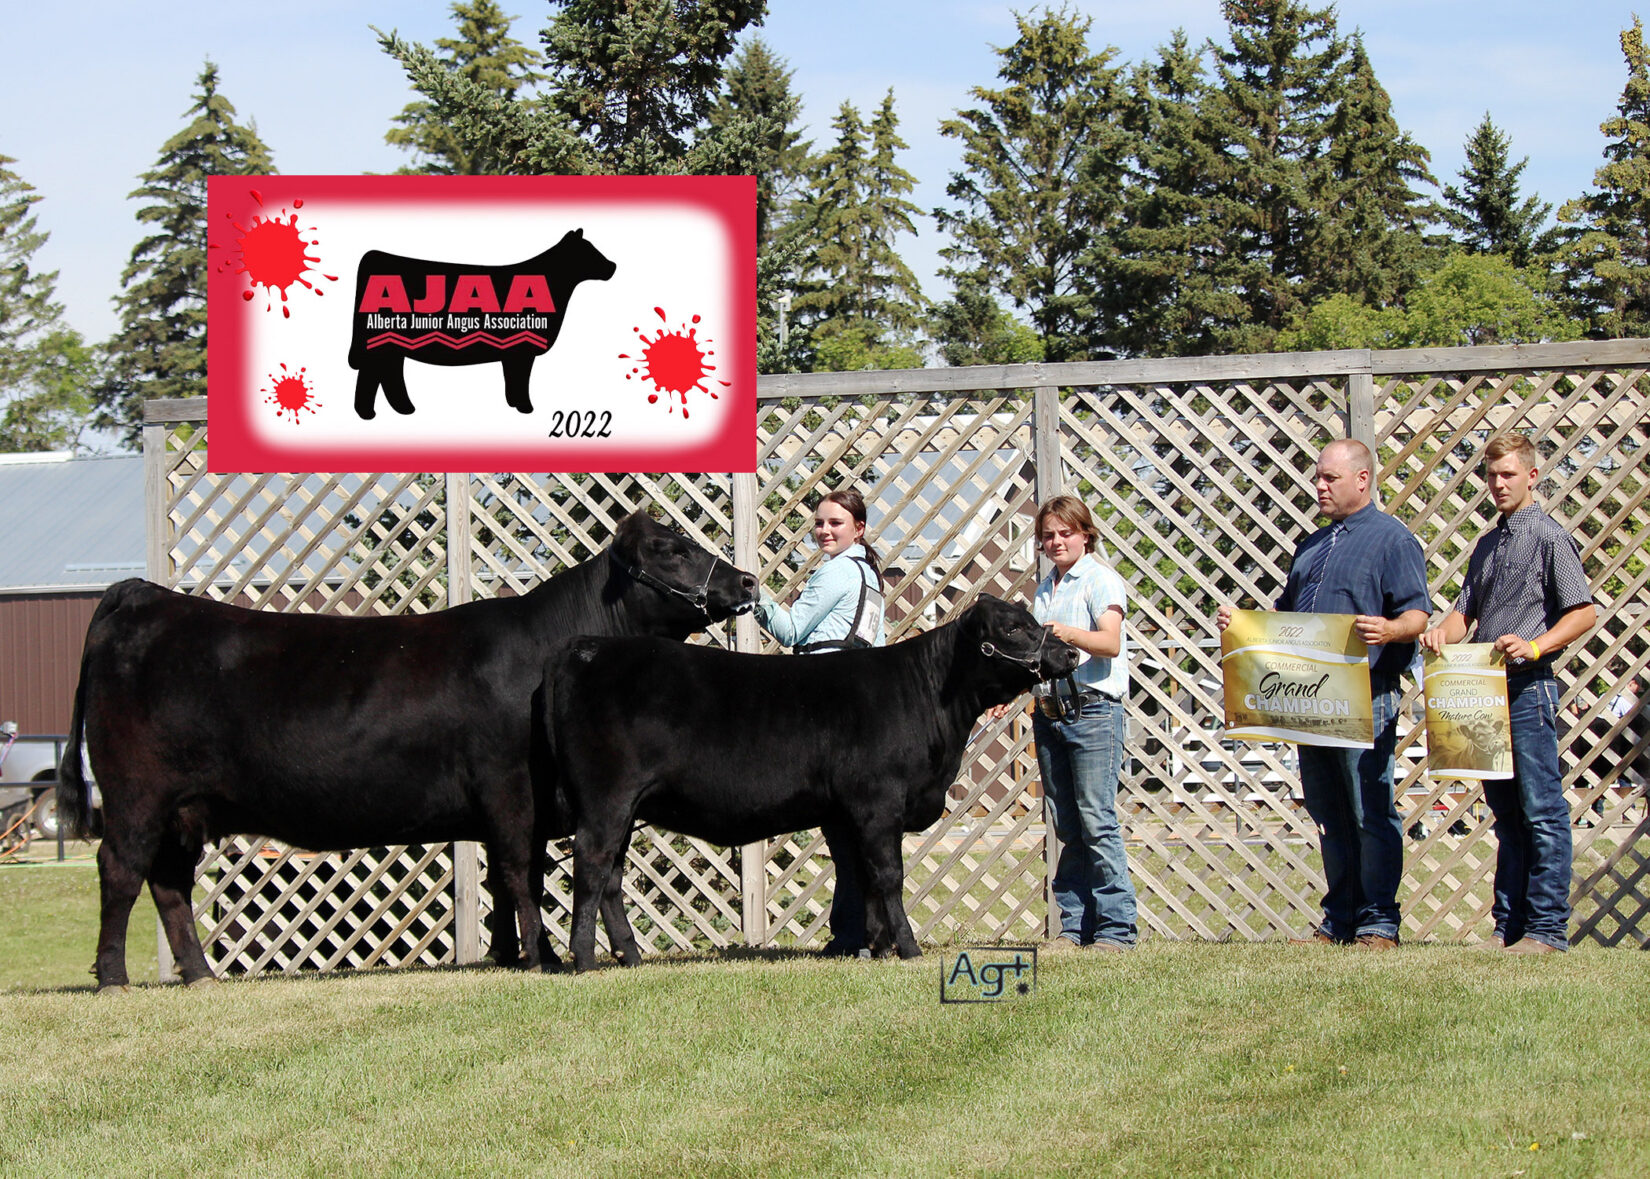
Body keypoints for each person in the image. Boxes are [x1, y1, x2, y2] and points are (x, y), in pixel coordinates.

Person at [1216, 439, 1431, 950]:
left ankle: (1379, 923)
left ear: (1363, 479)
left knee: (1368, 811)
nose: (1319, 487)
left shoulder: (1393, 541)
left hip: (1366, 695)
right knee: (1330, 815)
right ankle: (1339, 921)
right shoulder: (1310, 546)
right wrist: (1241, 623)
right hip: (1310, 702)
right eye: (1317, 478)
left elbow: (1418, 615)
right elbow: (1285, 622)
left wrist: (1390, 629)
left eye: (1329, 479)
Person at [1419, 432, 1597, 954]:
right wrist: (1439, 633)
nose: (1498, 484)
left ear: (1532, 476)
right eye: (1492, 475)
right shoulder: (1488, 544)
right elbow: (1463, 615)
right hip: (1482, 692)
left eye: (1508, 475)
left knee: (1542, 810)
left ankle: (1546, 931)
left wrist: (1537, 646)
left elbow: (1583, 612)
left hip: (1529, 689)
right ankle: (1507, 928)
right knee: (1507, 814)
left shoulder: (1547, 536)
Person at [754, 488, 886, 954]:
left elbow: (791, 631)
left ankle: (852, 934)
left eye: (835, 523)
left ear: (858, 529)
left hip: (824, 701)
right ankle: (862, 932)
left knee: (842, 829)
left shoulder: (835, 572)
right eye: (820, 523)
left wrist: (754, 597)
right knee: (858, 830)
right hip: (859, 706)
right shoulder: (870, 575)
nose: (825, 531)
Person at [1023, 495, 1138, 952]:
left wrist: (1066, 634)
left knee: (1097, 820)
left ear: (1085, 534)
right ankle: (1074, 927)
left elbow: (1109, 643)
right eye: (1048, 535)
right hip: (1049, 713)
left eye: (1065, 533)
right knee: (1067, 824)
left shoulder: (1101, 580)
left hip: (1093, 710)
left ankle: (1116, 929)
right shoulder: (1045, 588)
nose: (1056, 541)